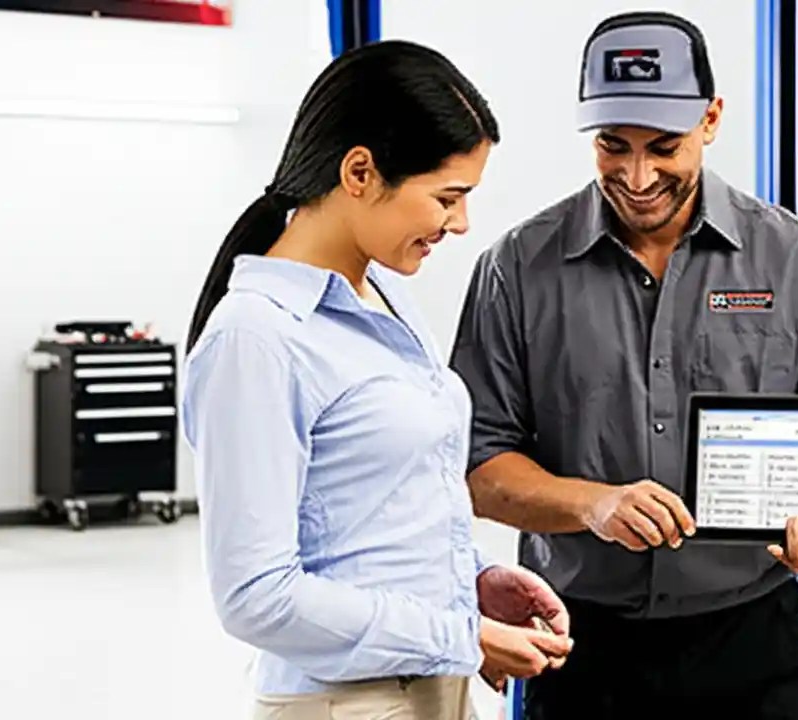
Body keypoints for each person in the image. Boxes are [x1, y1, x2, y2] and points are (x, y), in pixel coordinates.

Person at [449, 11, 798, 720]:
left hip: (752, 643)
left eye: (663, 146)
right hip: (580, 647)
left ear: (711, 119)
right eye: (611, 145)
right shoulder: (517, 269)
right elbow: (477, 468)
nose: (636, 174)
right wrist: (592, 503)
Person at [180, 40, 572, 720]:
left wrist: (474, 582)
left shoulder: (383, 298)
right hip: (350, 702)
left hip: (433, 688)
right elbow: (256, 594)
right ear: (360, 171)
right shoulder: (257, 337)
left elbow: (384, 502)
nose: (461, 223)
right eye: (448, 196)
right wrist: (457, 636)